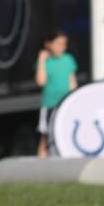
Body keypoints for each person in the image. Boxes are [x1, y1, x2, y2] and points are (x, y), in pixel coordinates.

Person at [35, 30, 77, 158]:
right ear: (48, 44)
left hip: (65, 104)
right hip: (50, 104)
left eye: (64, 44)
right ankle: (42, 162)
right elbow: (41, 81)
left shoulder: (68, 59)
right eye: (58, 44)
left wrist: (73, 100)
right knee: (45, 135)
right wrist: (41, 59)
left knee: (65, 133)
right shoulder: (45, 62)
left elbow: (72, 83)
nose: (61, 47)